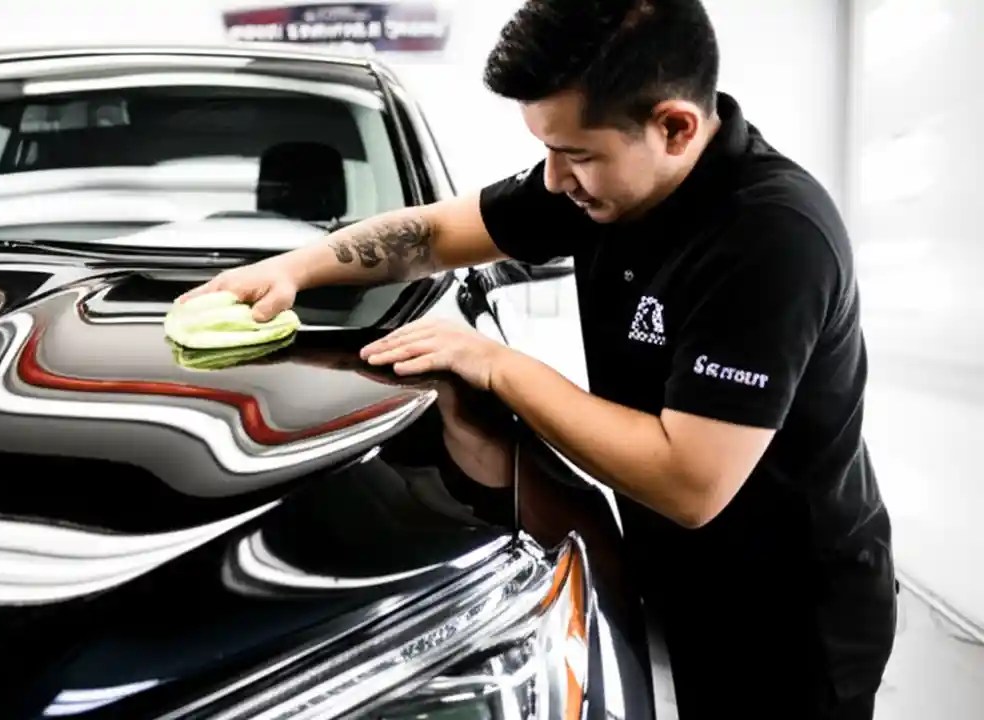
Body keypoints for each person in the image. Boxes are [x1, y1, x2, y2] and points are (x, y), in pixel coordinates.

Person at [177, 0, 896, 716]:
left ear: (674, 127)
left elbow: (690, 482)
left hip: (793, 610)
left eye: (576, 154)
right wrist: (297, 268)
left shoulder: (773, 239)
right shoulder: (605, 187)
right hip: (690, 576)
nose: (553, 180)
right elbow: (432, 235)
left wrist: (501, 367)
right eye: (548, 150)